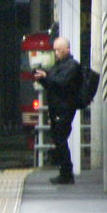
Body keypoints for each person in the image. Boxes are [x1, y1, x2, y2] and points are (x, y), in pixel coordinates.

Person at [33, 36, 81, 185]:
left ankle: (67, 174)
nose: (57, 53)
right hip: (57, 108)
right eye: (55, 50)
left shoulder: (72, 66)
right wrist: (43, 79)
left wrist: (47, 76)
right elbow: (53, 84)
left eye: (59, 50)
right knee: (59, 139)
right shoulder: (59, 65)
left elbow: (61, 82)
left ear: (67, 49)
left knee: (60, 140)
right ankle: (64, 173)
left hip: (65, 108)